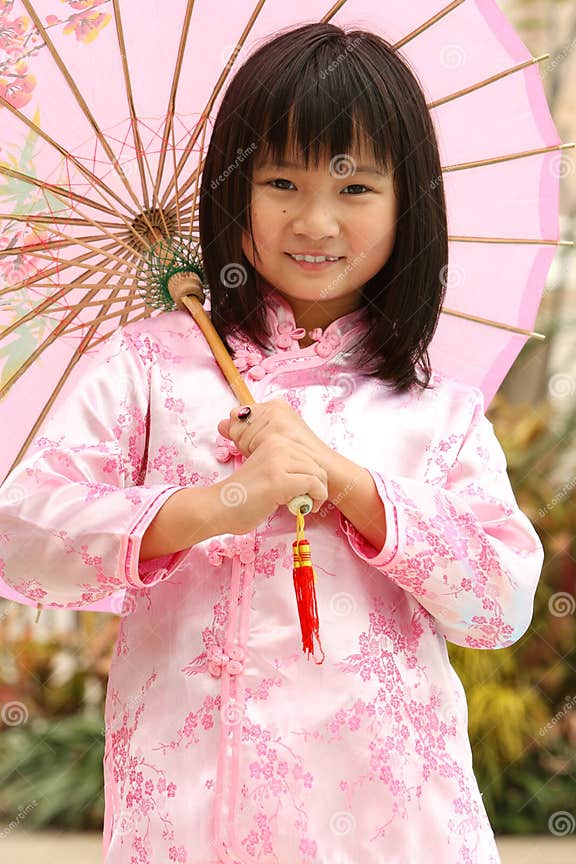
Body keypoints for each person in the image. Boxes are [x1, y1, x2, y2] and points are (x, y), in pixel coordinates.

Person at [0, 22, 543, 864]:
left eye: (355, 187)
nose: (315, 221)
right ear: (234, 188)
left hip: (395, 832)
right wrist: (219, 504)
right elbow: (23, 536)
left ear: (409, 201)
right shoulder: (146, 369)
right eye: (281, 181)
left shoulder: (437, 412)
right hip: (188, 825)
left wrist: (347, 482)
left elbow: (499, 605)